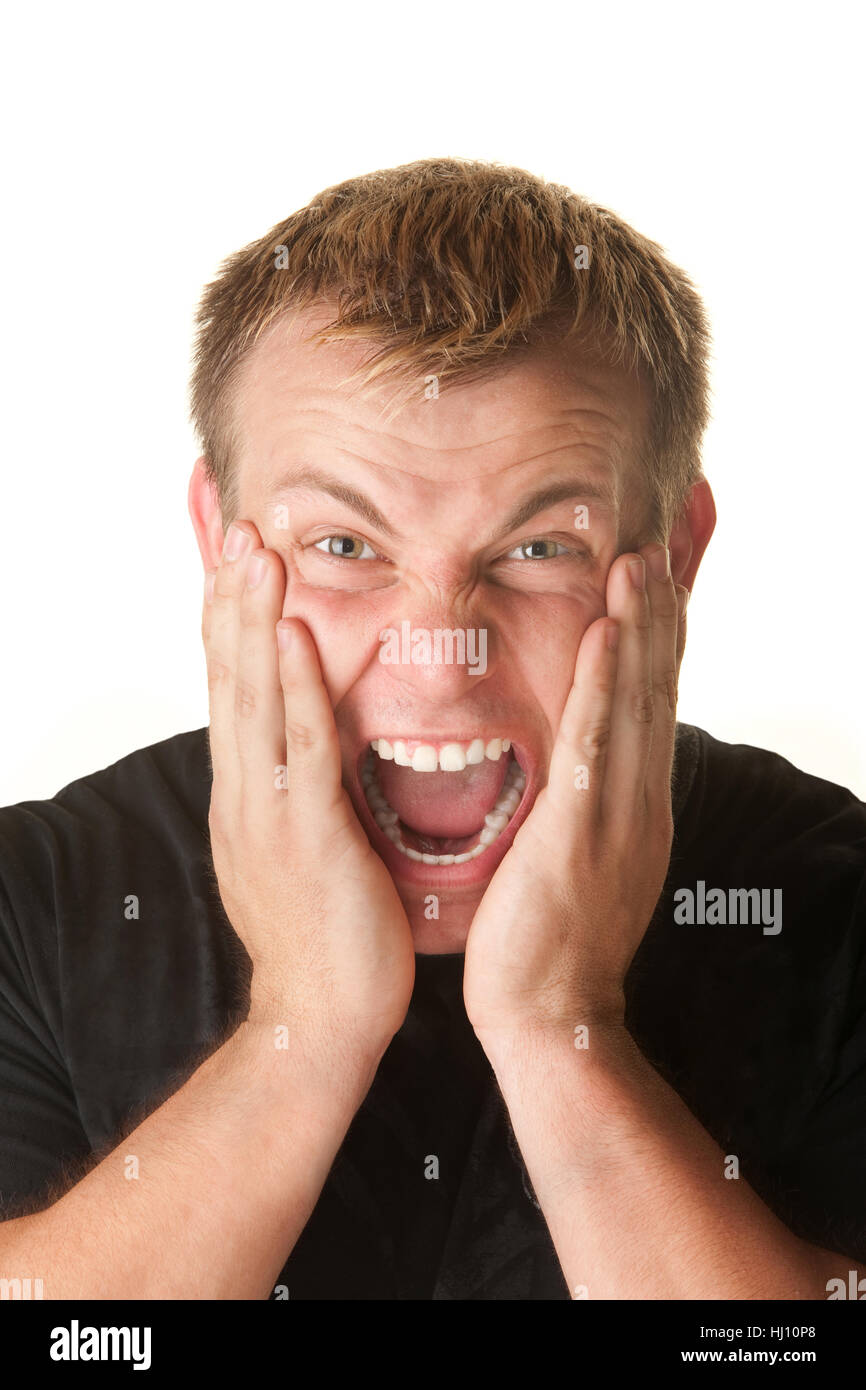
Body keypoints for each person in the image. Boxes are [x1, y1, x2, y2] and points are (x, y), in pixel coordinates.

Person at [1, 157, 864, 1300]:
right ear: (221, 544)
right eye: (344, 546)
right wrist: (302, 1029)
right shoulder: (41, 895)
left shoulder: (837, 908)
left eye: (537, 548)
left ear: (676, 555)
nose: (437, 654)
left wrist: (564, 1028)